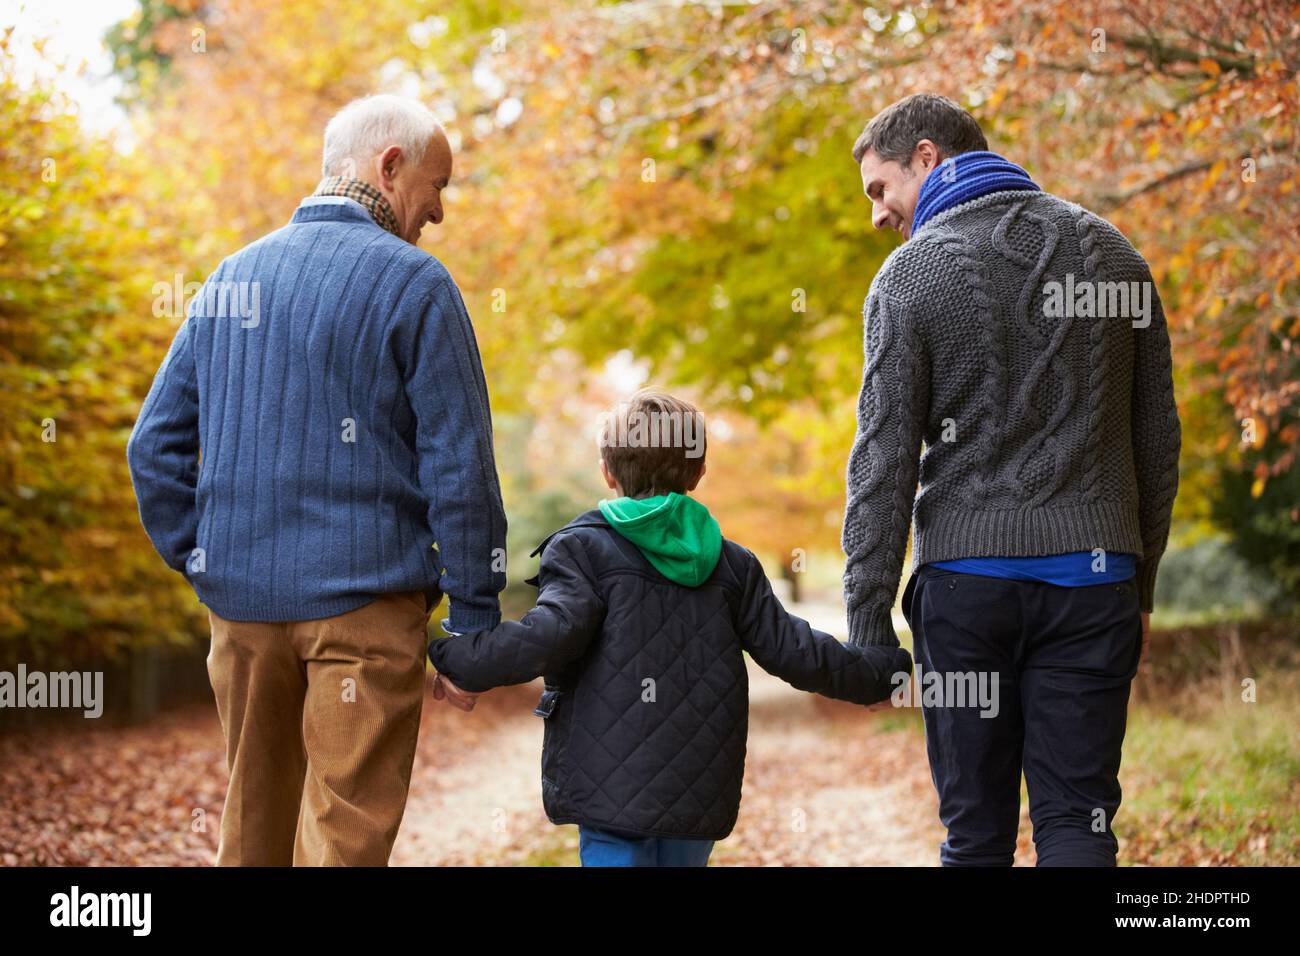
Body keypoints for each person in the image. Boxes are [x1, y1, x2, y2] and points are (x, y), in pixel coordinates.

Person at [126, 94, 506, 865]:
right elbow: (460, 467)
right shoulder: (418, 286)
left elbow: (152, 447)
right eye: (437, 186)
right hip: (365, 612)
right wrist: (472, 618)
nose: (438, 211)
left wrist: (204, 558)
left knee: (252, 829)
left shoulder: (232, 277)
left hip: (244, 612)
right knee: (345, 837)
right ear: (389, 165)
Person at [841, 92, 1181, 865]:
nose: (877, 215)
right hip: (1093, 583)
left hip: (967, 591)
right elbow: (1157, 441)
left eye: (879, 188)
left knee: (976, 834)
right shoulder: (1115, 256)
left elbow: (882, 463)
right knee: (1077, 822)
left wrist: (868, 625)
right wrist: (1140, 585)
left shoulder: (909, 278)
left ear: (928, 157)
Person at [428, 389, 911, 866]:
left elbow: (549, 635)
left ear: (607, 471)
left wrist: (458, 659)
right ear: (698, 473)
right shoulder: (732, 564)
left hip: (608, 785)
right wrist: (877, 674)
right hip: (698, 784)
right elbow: (794, 649)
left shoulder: (583, 550)